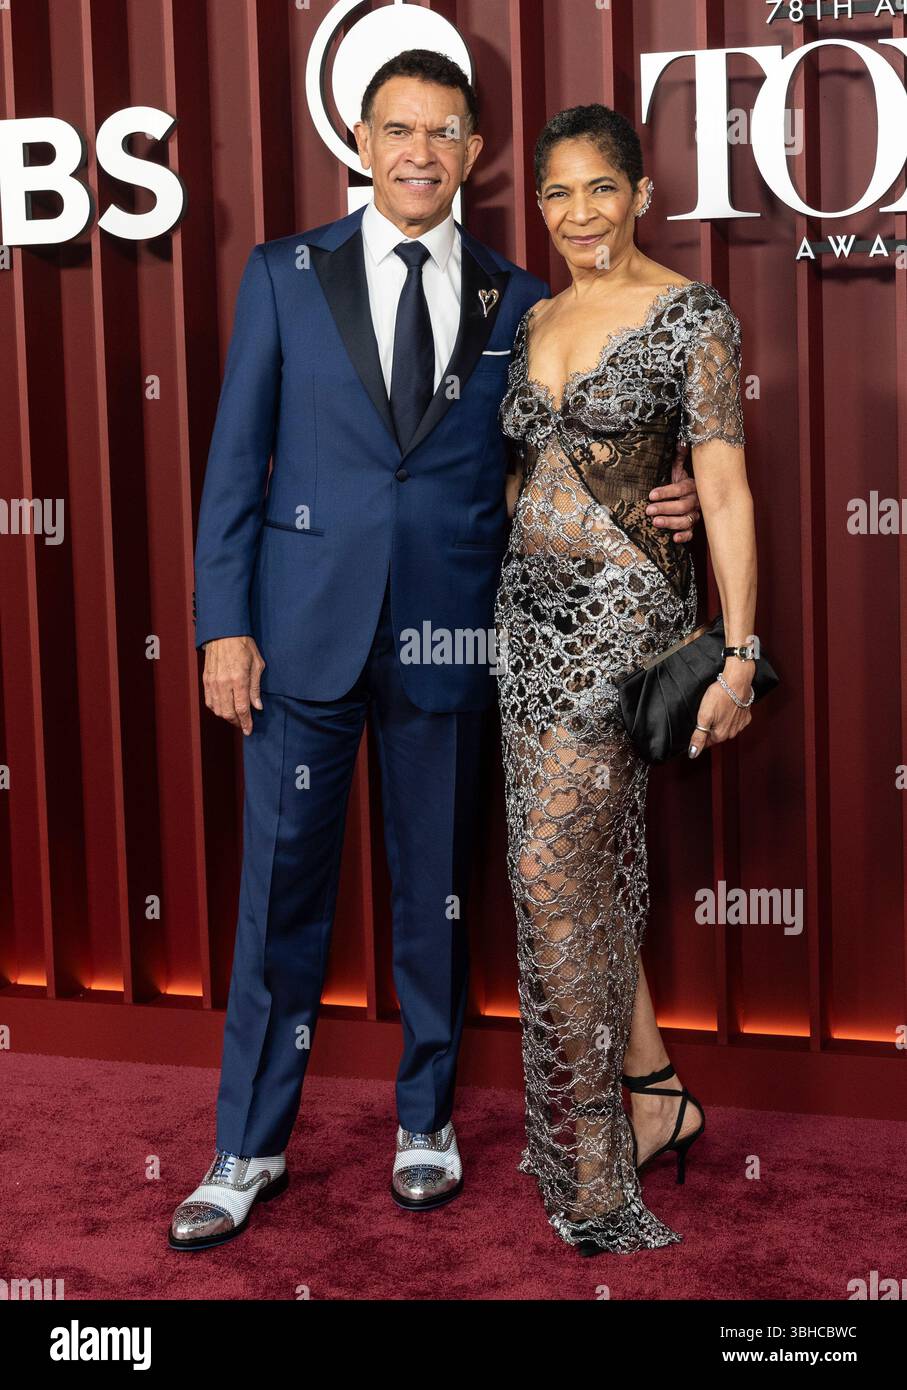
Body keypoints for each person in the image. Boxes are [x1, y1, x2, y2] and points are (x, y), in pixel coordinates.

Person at [170, 55, 703, 1250]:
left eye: (444, 132)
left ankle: (426, 1121)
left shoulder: (517, 298)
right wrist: (221, 623)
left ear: (473, 153)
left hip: (455, 637)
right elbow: (231, 468)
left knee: (436, 899)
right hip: (300, 635)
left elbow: (564, 449)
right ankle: (244, 1148)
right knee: (276, 903)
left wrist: (663, 493)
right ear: (359, 142)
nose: (419, 150)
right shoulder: (282, 274)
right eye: (397, 128)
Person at [494, 104, 757, 1255]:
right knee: (579, 883)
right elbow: (528, 472)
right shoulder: (539, 312)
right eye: (557, 192)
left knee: (550, 882)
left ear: (642, 192)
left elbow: (727, 490)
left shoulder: (689, 315)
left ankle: (595, 1164)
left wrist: (739, 651)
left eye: (601, 188)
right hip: (525, 628)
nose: (579, 213)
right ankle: (655, 1092)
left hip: (621, 625)